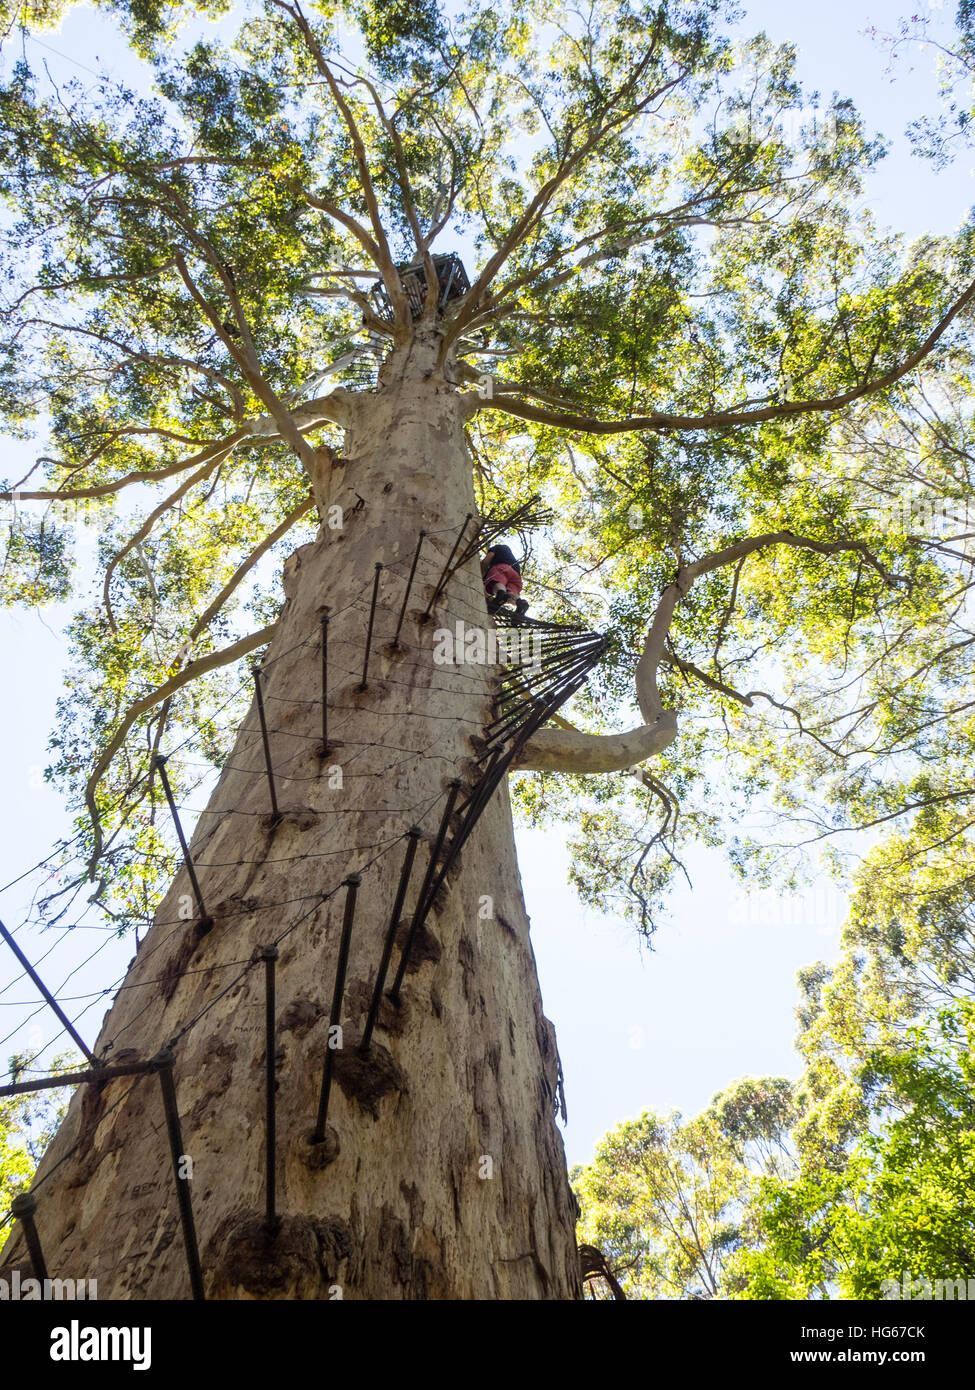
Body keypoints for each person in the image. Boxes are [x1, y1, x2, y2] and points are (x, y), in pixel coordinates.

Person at [482, 540, 529, 619]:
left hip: (502, 567)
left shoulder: (497, 548)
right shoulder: (512, 558)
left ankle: (500, 594)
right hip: (516, 576)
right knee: (510, 592)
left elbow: (486, 562)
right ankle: (519, 602)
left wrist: (482, 573)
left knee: (495, 582)